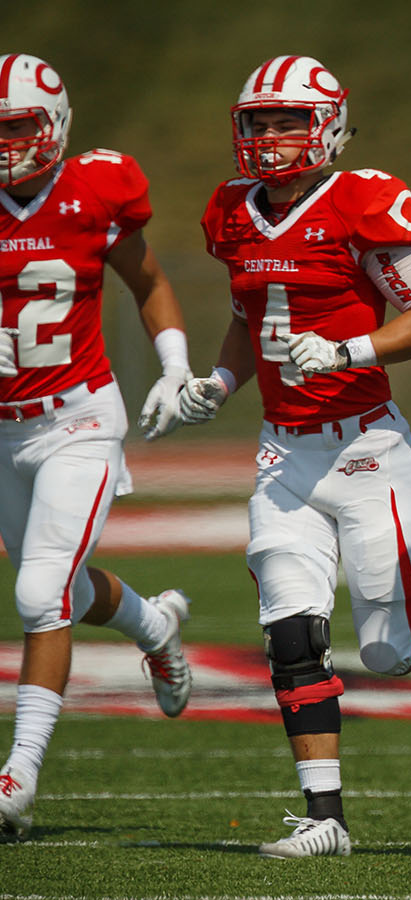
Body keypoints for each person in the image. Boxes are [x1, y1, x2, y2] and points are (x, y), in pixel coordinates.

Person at [169, 55, 411, 859]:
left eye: (287, 122)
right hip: (282, 455)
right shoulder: (233, 211)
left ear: (327, 128)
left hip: (364, 450)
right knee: (291, 635)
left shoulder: (360, 202)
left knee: (389, 652)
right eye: (258, 122)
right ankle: (326, 817)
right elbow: (250, 317)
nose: (269, 137)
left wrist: (348, 349)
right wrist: (219, 380)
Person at [0, 52, 194, 842]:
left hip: (76, 419)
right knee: (64, 591)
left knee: (39, 591)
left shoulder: (94, 191)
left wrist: (174, 366)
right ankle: (157, 627)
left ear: (55, 126)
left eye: (16, 126)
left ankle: (17, 777)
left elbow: (148, 282)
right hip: (4, 426)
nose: (5, 143)